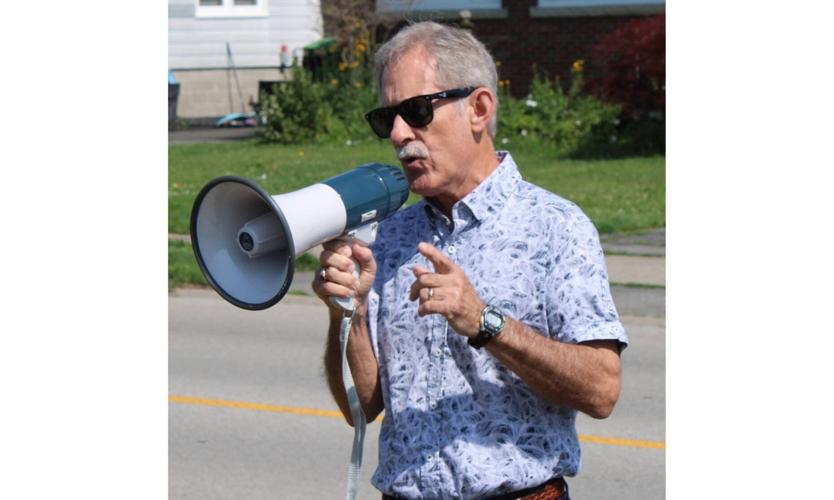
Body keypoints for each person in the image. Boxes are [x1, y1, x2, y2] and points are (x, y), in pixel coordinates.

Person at [313, 21, 628, 500]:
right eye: (386, 118)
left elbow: (601, 390)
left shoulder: (555, 226)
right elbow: (365, 406)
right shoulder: (389, 235)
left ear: (478, 109)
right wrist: (348, 315)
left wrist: (484, 322)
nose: (398, 134)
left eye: (416, 111)